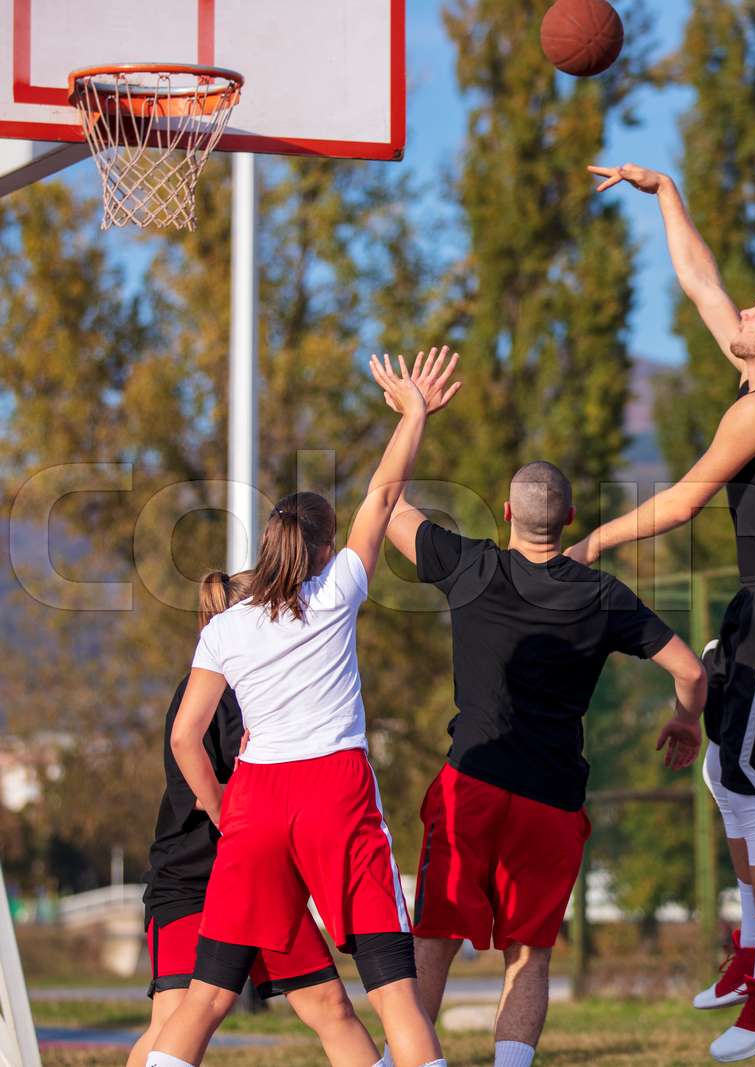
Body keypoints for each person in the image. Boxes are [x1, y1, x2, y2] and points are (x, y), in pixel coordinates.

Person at [575, 163, 755, 1062]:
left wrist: (598, 539)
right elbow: (698, 279)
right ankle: (751, 952)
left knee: (754, 787)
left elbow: (688, 499)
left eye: (754, 306)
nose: (737, 309)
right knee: (723, 774)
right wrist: (665, 194)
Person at [145, 348, 463, 1067]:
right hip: (333, 790)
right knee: (394, 994)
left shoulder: (223, 627)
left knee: (207, 997)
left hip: (255, 799)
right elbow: (382, 498)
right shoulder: (335, 595)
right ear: (324, 550)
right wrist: (413, 414)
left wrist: (225, 811)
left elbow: (187, 738)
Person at [374, 443, 708, 1067]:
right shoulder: (605, 596)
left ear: (505, 513)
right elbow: (690, 668)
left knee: (436, 937)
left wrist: (415, 421)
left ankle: (404, 1060)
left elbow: (387, 503)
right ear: (572, 518)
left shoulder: (472, 566)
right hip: (551, 799)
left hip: (470, 780)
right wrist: (685, 721)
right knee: (529, 952)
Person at [127, 571, 368, 1067]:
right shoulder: (206, 696)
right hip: (194, 879)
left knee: (330, 1006)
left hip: (262, 874)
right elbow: (192, 777)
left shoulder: (275, 688)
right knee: (176, 1017)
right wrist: (232, 811)